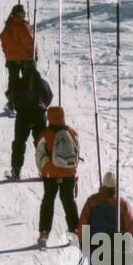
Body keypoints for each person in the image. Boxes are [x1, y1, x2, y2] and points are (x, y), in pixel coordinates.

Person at [35, 105, 80, 247]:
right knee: (68, 201)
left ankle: (44, 234)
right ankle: (75, 232)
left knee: (48, 201)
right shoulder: (72, 133)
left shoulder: (45, 134)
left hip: (51, 174)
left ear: (48, 117)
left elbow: (39, 154)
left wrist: (42, 170)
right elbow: (77, 152)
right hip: (68, 173)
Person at [7, 64, 52, 181]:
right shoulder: (43, 83)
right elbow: (49, 97)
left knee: (19, 142)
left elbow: (12, 99)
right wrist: (43, 106)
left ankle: (16, 170)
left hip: (23, 117)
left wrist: (17, 107)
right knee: (41, 143)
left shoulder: (19, 83)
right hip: (39, 116)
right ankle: (44, 170)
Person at [0, 4, 35, 114]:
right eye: (23, 13)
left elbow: (4, 42)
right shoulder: (23, 26)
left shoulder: (8, 26)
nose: (24, 15)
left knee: (13, 81)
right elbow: (30, 42)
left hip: (12, 60)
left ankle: (12, 102)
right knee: (26, 80)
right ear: (21, 14)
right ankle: (25, 103)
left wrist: (8, 55)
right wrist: (34, 55)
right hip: (25, 59)